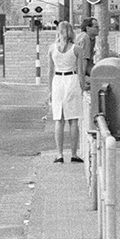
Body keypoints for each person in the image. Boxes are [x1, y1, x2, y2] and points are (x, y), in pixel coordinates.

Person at [48, 20, 80, 164]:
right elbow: (81, 70)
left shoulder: (51, 48)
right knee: (73, 120)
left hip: (57, 81)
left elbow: (50, 71)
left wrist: (50, 90)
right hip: (72, 79)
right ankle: (74, 154)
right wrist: (83, 88)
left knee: (58, 119)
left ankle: (59, 154)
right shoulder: (76, 49)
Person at [72, 16, 99, 161]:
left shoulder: (87, 38)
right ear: (87, 28)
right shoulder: (86, 39)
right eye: (95, 26)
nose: (98, 29)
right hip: (78, 76)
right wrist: (87, 80)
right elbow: (83, 63)